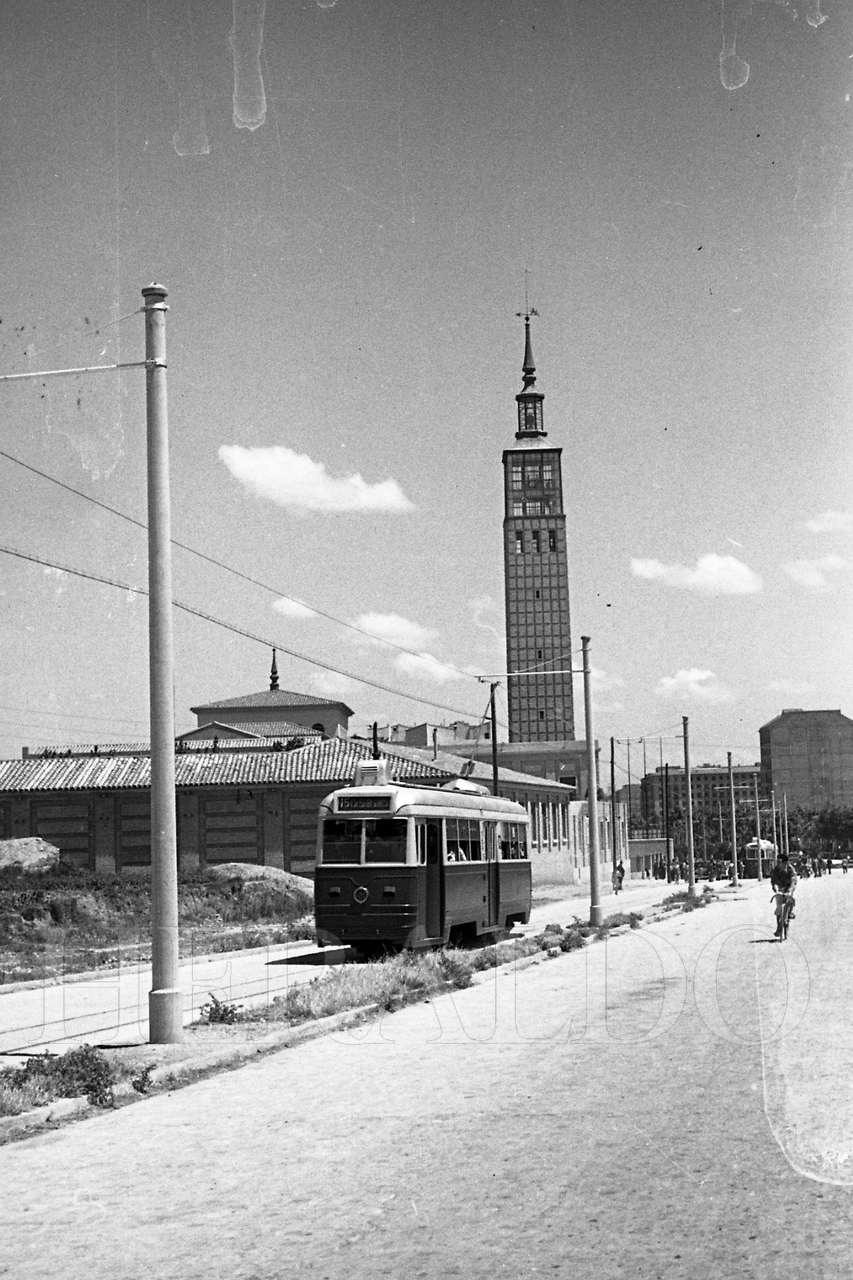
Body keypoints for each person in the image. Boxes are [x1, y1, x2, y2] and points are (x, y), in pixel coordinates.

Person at [770, 852, 797, 938]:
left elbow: (793, 880)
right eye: (777, 862)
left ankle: (790, 912)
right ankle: (779, 927)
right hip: (779, 888)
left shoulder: (790, 869)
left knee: (792, 899)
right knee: (779, 906)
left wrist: (790, 891)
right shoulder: (776, 870)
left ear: (785, 862)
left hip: (789, 888)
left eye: (780, 862)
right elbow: (774, 881)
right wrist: (776, 890)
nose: (778, 864)